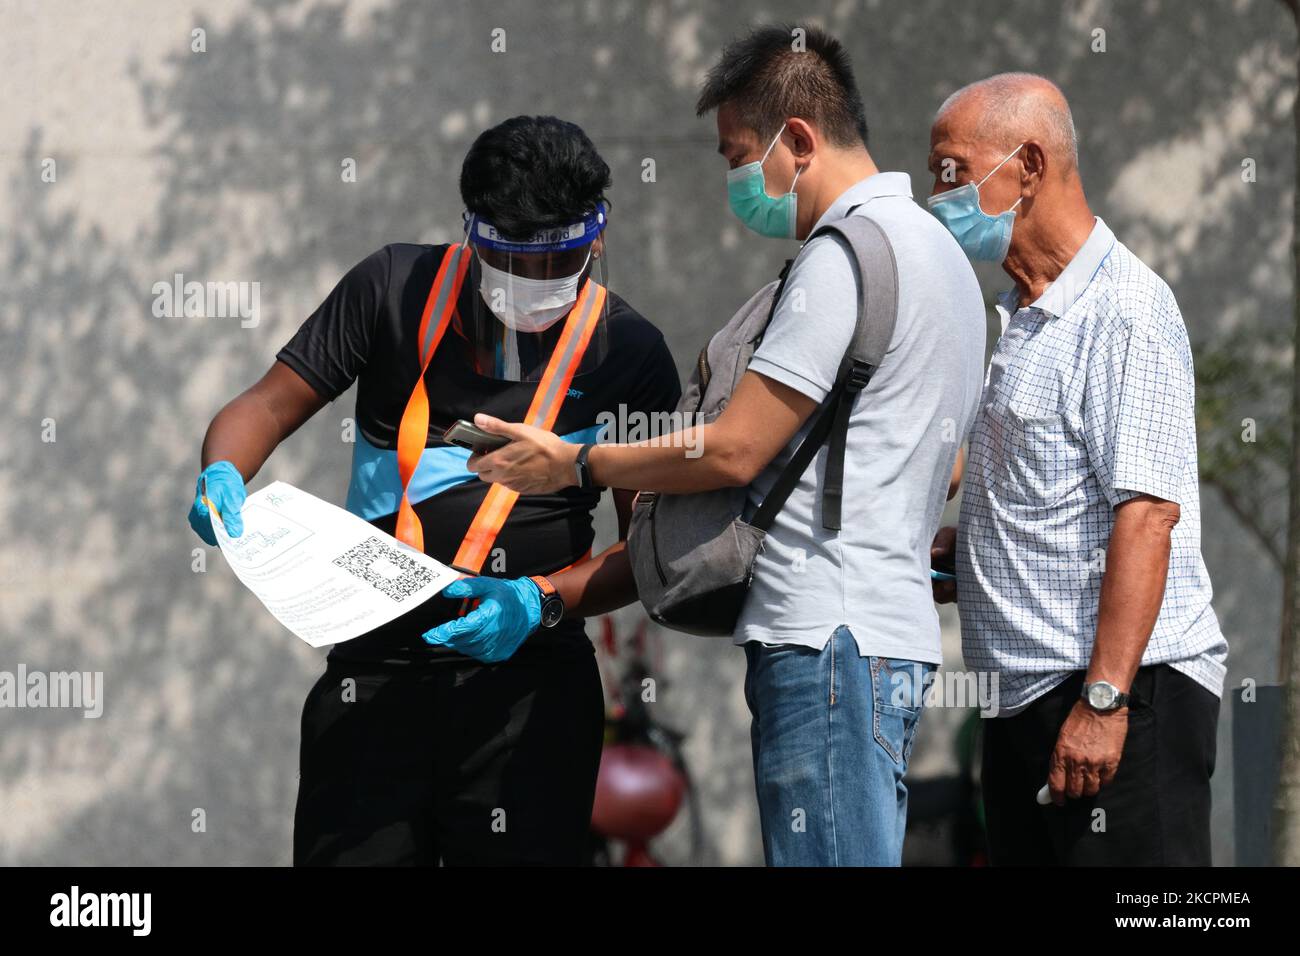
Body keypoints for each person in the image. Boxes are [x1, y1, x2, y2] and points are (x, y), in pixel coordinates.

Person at [446, 25, 987, 866]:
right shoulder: (942, 260)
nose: (739, 179)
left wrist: (578, 461)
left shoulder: (844, 257)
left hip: (825, 641)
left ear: (798, 140)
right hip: (889, 637)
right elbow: (947, 464)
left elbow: (736, 450)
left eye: (739, 153)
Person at [187, 115, 681, 865]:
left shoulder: (630, 353)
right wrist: (223, 469)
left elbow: (648, 548)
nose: (539, 285)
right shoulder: (393, 288)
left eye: (563, 259)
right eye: (515, 260)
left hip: (529, 690)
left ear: (597, 238)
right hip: (374, 678)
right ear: (472, 234)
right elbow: (264, 405)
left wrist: (541, 599)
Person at [926, 73, 1228, 865]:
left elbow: (1147, 514)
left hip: (1121, 698)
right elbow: (1065, 493)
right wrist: (982, 553)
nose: (936, 193)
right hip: (1025, 703)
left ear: (1028, 165)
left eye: (952, 170)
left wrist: (1103, 701)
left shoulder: (1123, 309)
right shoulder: (1024, 313)